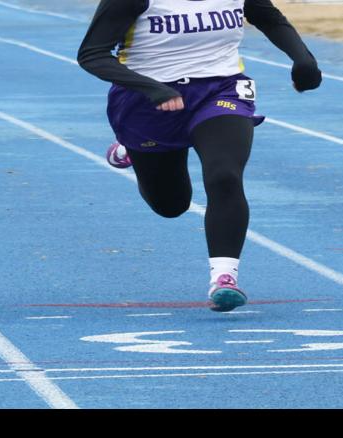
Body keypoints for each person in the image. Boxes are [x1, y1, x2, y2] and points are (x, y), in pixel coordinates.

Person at [78, 0, 322, 313]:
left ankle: (224, 278)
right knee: (171, 204)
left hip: (221, 90)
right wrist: (153, 89)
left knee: (224, 175)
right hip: (148, 98)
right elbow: (91, 55)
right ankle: (131, 147)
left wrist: (304, 60)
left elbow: (269, 18)